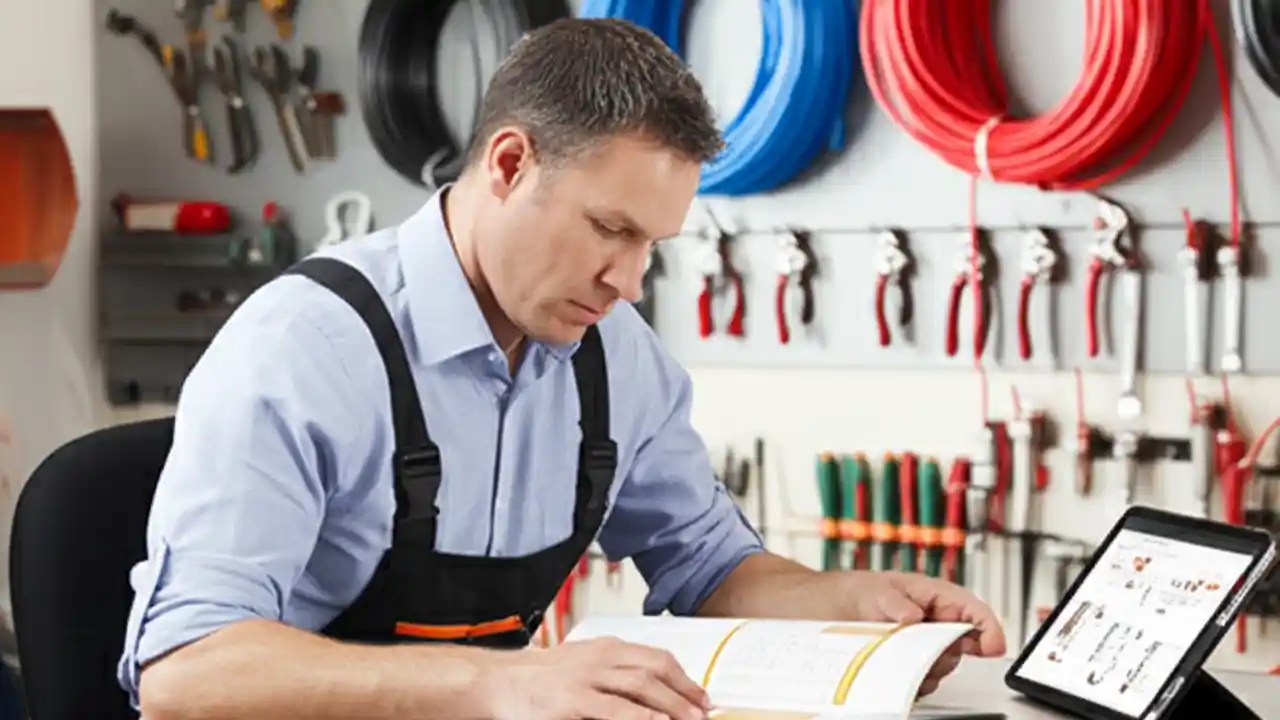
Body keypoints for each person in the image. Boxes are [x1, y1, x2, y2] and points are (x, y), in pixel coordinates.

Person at [119, 17, 1005, 720]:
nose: (628, 282)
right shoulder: (304, 348)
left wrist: (856, 606)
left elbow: (709, 569)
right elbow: (187, 673)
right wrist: (503, 687)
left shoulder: (617, 361)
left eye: (651, 246)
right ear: (510, 165)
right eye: (610, 230)